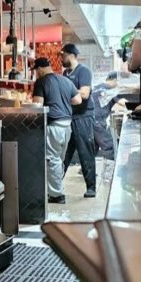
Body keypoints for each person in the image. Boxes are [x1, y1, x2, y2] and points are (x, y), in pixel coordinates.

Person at [32, 57, 82, 204]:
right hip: (67, 125)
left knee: (52, 159)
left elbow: (37, 105)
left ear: (40, 69)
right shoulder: (65, 80)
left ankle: (56, 195)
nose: (36, 74)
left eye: (36, 71)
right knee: (58, 159)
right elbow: (78, 100)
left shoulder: (41, 82)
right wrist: (64, 100)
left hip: (53, 125)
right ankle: (57, 189)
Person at [60, 43, 97, 198]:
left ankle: (91, 188)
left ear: (72, 55)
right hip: (69, 118)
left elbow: (85, 94)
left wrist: (69, 93)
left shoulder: (83, 71)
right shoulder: (64, 74)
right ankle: (55, 187)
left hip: (83, 117)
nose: (61, 58)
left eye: (63, 55)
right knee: (64, 154)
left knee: (85, 152)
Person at [92, 71, 126, 160]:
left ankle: (87, 170)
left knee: (93, 147)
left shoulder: (98, 87)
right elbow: (122, 103)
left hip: (90, 119)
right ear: (115, 80)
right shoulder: (111, 89)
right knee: (108, 146)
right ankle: (110, 170)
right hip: (98, 121)